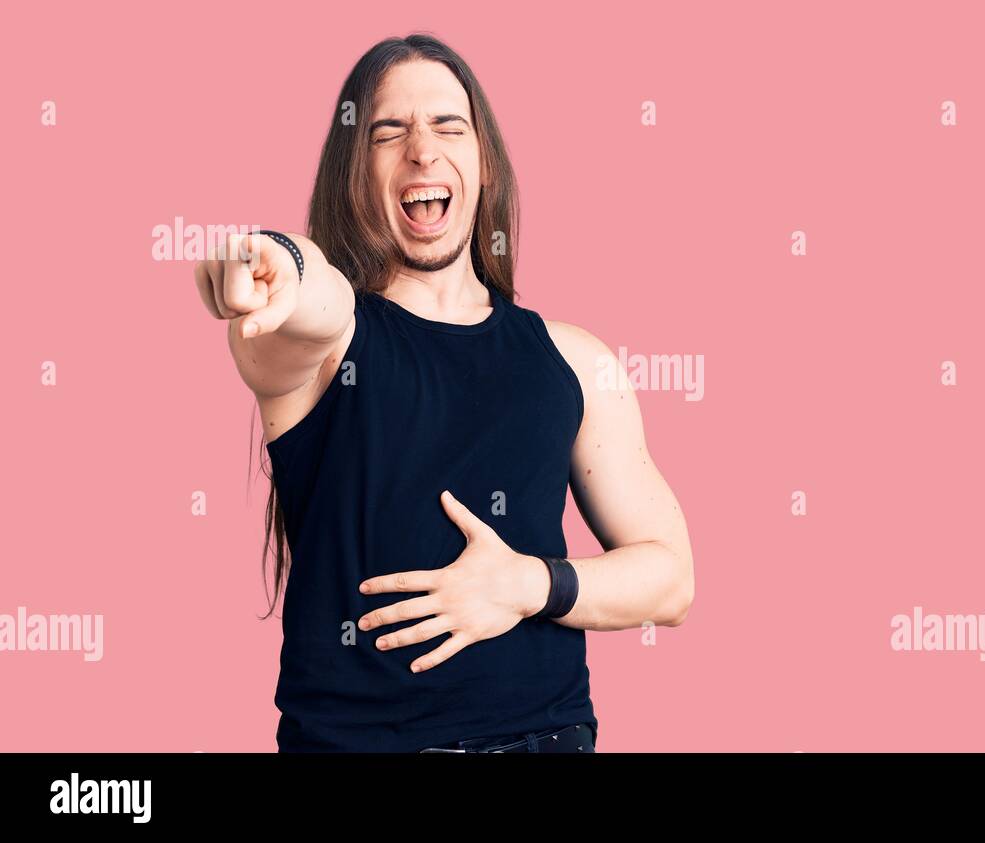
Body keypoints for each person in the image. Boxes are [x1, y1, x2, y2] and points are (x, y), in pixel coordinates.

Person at [192, 33, 694, 752]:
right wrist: (275, 261)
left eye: (448, 126)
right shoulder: (323, 345)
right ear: (355, 173)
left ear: (482, 162)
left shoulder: (575, 361)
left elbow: (671, 578)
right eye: (388, 131)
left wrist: (527, 583)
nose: (422, 149)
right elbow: (318, 298)